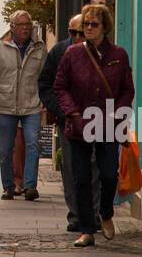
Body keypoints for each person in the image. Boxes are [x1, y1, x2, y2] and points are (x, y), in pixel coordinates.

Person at [53, 1, 135, 248]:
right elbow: (60, 86)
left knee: (109, 174)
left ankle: (106, 212)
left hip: (107, 125)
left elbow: (127, 90)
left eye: (93, 24)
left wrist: (116, 113)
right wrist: (73, 112)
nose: (88, 28)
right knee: (80, 177)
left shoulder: (118, 55)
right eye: (85, 24)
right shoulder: (73, 54)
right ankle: (87, 229)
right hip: (79, 125)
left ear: (104, 27)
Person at [38, 13, 100, 232]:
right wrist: (61, 110)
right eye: (71, 32)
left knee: (94, 167)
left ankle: (92, 214)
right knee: (72, 168)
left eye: (80, 33)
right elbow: (45, 84)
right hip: (69, 121)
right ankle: (76, 216)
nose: (75, 36)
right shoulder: (58, 52)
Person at [0, 10, 48, 201]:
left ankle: (29, 186)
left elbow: (44, 76)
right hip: (5, 106)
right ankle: (9, 186)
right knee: (5, 148)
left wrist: (44, 98)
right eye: (21, 25)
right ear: (12, 27)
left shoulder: (39, 47)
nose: (26, 28)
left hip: (31, 105)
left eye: (28, 24)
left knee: (33, 143)